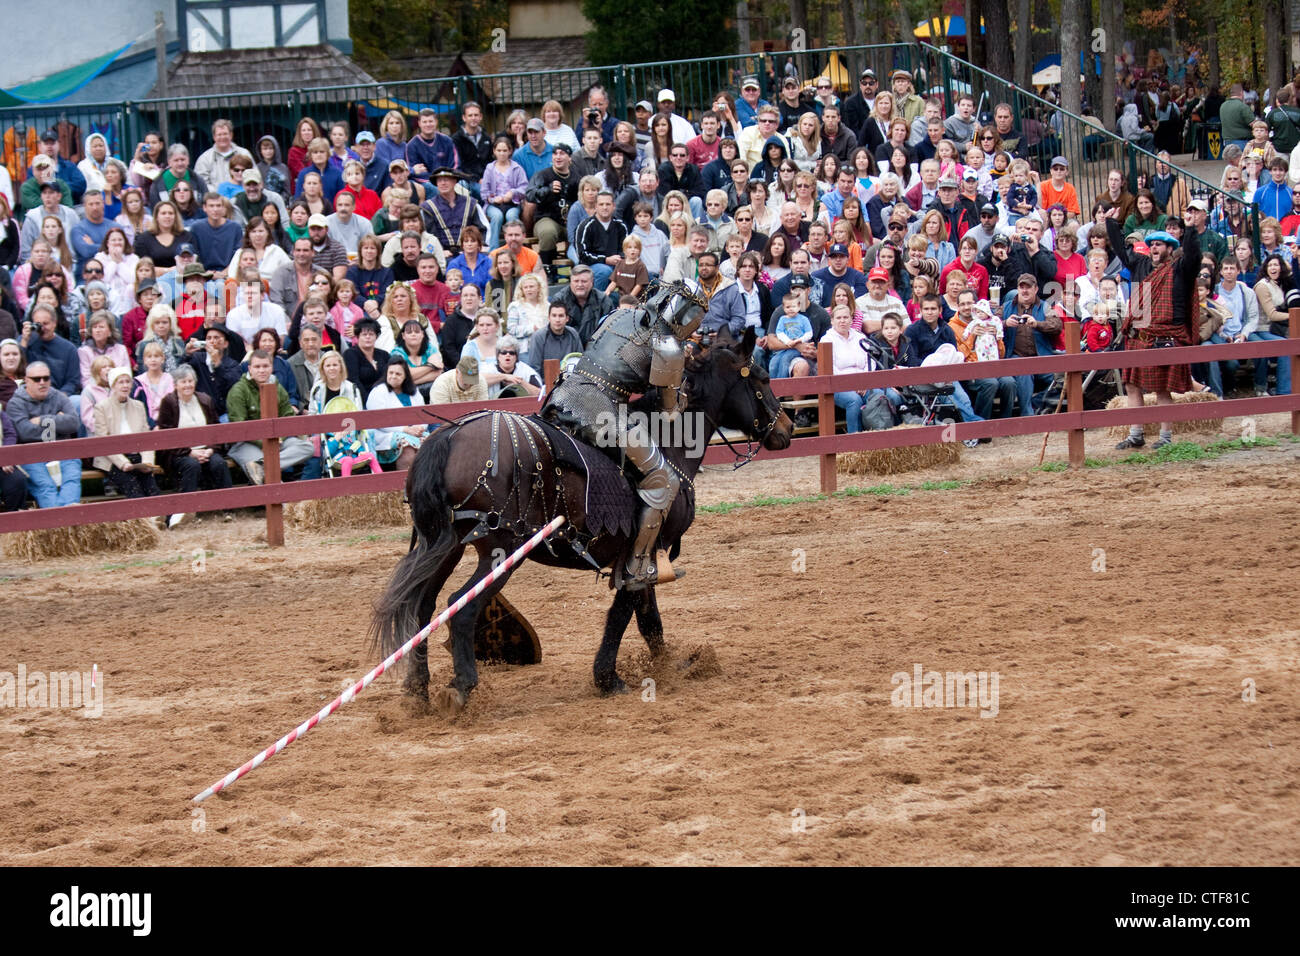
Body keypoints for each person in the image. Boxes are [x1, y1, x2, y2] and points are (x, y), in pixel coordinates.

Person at [540, 282, 705, 589]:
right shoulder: (668, 345)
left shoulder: (617, 315)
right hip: (598, 409)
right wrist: (681, 391)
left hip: (562, 394)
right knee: (663, 479)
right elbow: (669, 413)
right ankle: (637, 566)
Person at [1108, 218, 1201, 449]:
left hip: (1165, 338)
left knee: (1161, 389)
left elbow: (1194, 258)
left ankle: (1165, 437)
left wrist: (1189, 230)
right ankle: (1136, 434)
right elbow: (1119, 247)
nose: (1155, 248)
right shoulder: (1140, 265)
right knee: (1131, 386)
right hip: (1138, 336)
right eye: (1152, 244)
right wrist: (1110, 221)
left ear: (1170, 249)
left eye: (1160, 244)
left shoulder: (1179, 269)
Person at [226, 349, 318, 484]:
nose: (261, 370)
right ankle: (286, 504)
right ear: (250, 369)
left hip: (276, 438)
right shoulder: (238, 390)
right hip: (246, 443)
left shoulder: (278, 388)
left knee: (307, 447)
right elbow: (239, 426)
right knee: (266, 477)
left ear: (271, 368)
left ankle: (263, 465)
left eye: (265, 366)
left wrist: (280, 437)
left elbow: (287, 417)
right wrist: (263, 441)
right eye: (257, 367)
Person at [5, 360, 81, 506]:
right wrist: (59, 422)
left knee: (71, 478)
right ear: (26, 381)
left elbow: (73, 423)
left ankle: (69, 518)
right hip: (31, 454)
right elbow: (25, 433)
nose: (42, 382)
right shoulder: (15, 403)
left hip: (63, 451)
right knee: (45, 486)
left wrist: (42, 419)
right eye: (36, 379)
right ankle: (57, 524)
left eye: (46, 378)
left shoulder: (58, 396)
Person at [91, 364, 162, 498]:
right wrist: (123, 463)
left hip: (136, 455)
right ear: (113, 385)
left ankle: (166, 518)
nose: (125, 386)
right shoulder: (102, 408)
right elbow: (104, 442)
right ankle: (145, 519)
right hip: (112, 459)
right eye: (120, 382)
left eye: (127, 382)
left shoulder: (138, 406)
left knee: (150, 485)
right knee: (132, 486)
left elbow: (146, 438)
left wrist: (147, 462)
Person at [949, 291, 1015, 425]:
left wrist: (997, 338)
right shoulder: (952, 327)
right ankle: (980, 424)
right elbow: (957, 355)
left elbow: (1001, 354)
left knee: (1009, 382)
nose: (966, 307)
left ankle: (1005, 424)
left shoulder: (990, 321)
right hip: (970, 370)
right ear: (958, 307)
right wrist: (971, 337)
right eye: (962, 304)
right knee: (990, 383)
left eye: (969, 303)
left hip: (992, 365)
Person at [821, 303, 870, 432]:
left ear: (851, 320)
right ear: (832, 321)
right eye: (838, 318)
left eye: (845, 317)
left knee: (879, 395)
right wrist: (850, 384)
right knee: (854, 401)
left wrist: (865, 381)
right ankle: (854, 442)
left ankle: (879, 441)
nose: (842, 321)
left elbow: (870, 361)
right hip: (838, 385)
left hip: (864, 383)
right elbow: (830, 367)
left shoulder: (861, 337)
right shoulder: (826, 340)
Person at [344, 316, 390, 402]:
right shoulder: (350, 354)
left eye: (371, 334)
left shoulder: (384, 355)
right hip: (361, 400)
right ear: (357, 337)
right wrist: (370, 401)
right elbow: (354, 381)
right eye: (364, 334)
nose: (368, 337)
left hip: (385, 398)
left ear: (376, 336)